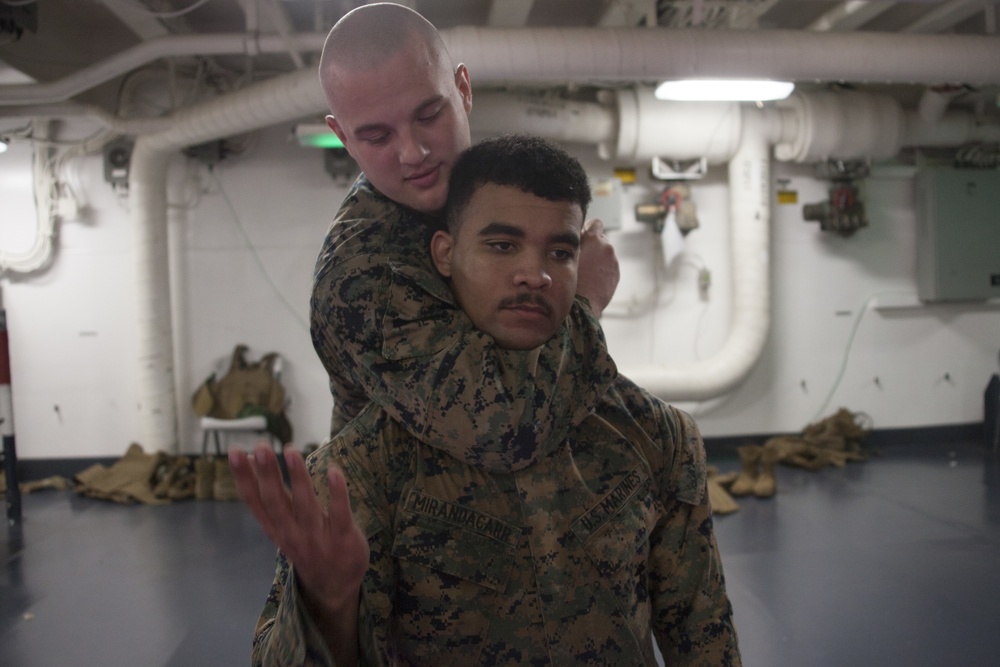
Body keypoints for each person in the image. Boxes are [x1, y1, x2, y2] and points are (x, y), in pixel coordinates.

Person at [238, 135, 740, 666]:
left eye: (561, 252)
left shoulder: (657, 437)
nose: (535, 274)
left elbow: (707, 644)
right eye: (502, 245)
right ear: (445, 254)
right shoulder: (364, 469)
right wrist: (326, 605)